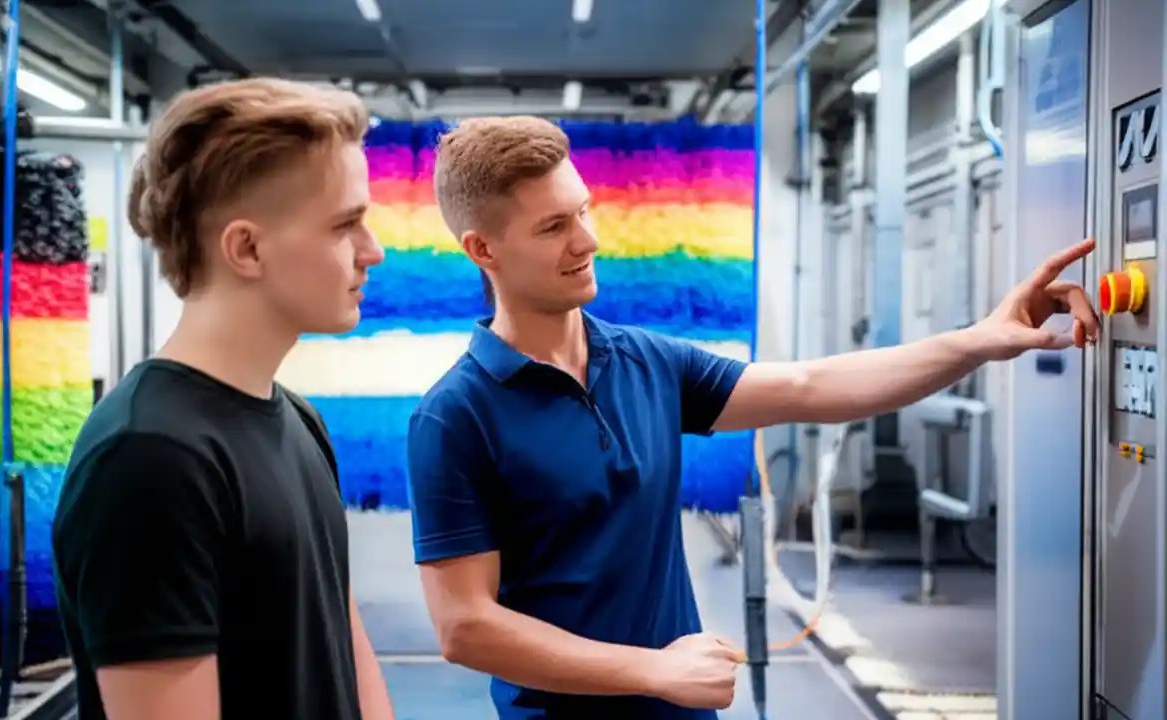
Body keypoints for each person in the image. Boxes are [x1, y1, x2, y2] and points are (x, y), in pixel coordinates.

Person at [405, 115, 1099, 718]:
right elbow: (466, 626)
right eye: (554, 226)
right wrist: (651, 670)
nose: (586, 240)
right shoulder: (456, 415)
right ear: (483, 250)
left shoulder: (647, 363)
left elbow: (810, 384)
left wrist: (980, 338)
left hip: (683, 711)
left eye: (583, 211)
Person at [51, 78, 394, 720]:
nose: (372, 250)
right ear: (247, 248)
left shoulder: (297, 418)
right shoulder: (151, 458)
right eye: (346, 224)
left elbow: (343, 642)